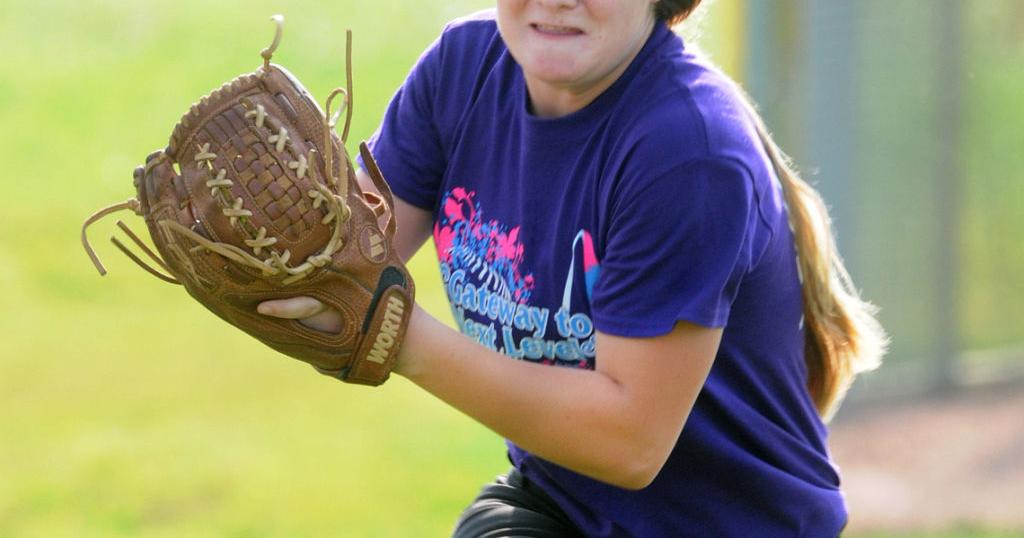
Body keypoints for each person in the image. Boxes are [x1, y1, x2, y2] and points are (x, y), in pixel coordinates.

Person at [257, 0, 887, 535]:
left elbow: (629, 441)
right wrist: (268, 256)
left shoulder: (686, 150)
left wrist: (395, 335)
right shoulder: (464, 72)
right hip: (563, 504)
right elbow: (343, 271)